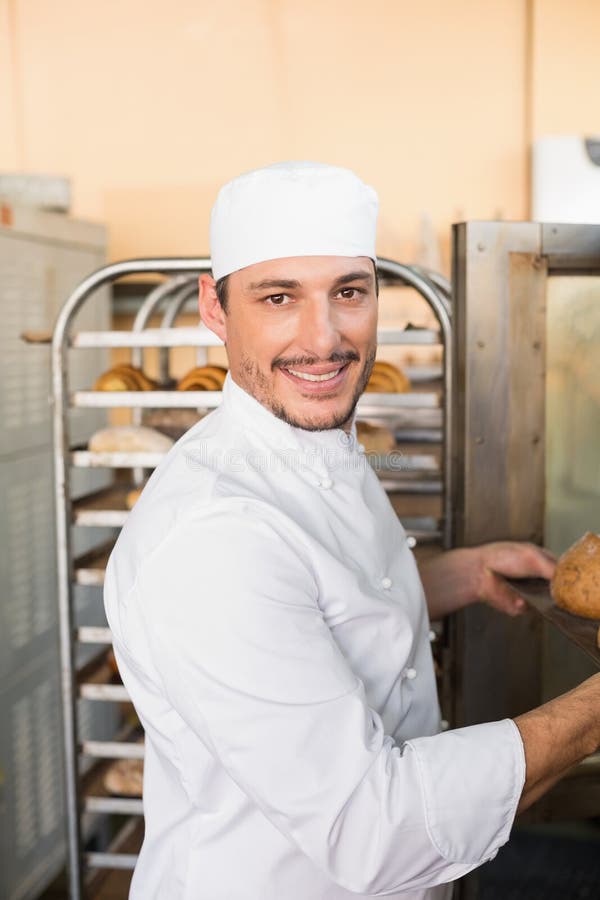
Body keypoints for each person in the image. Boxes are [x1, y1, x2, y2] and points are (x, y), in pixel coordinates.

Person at [104, 161, 600, 900]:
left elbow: (319, 596)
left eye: (349, 292)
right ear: (215, 307)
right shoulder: (212, 536)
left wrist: (450, 576)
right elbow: (375, 831)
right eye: (279, 297)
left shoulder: (312, 432)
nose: (325, 339)